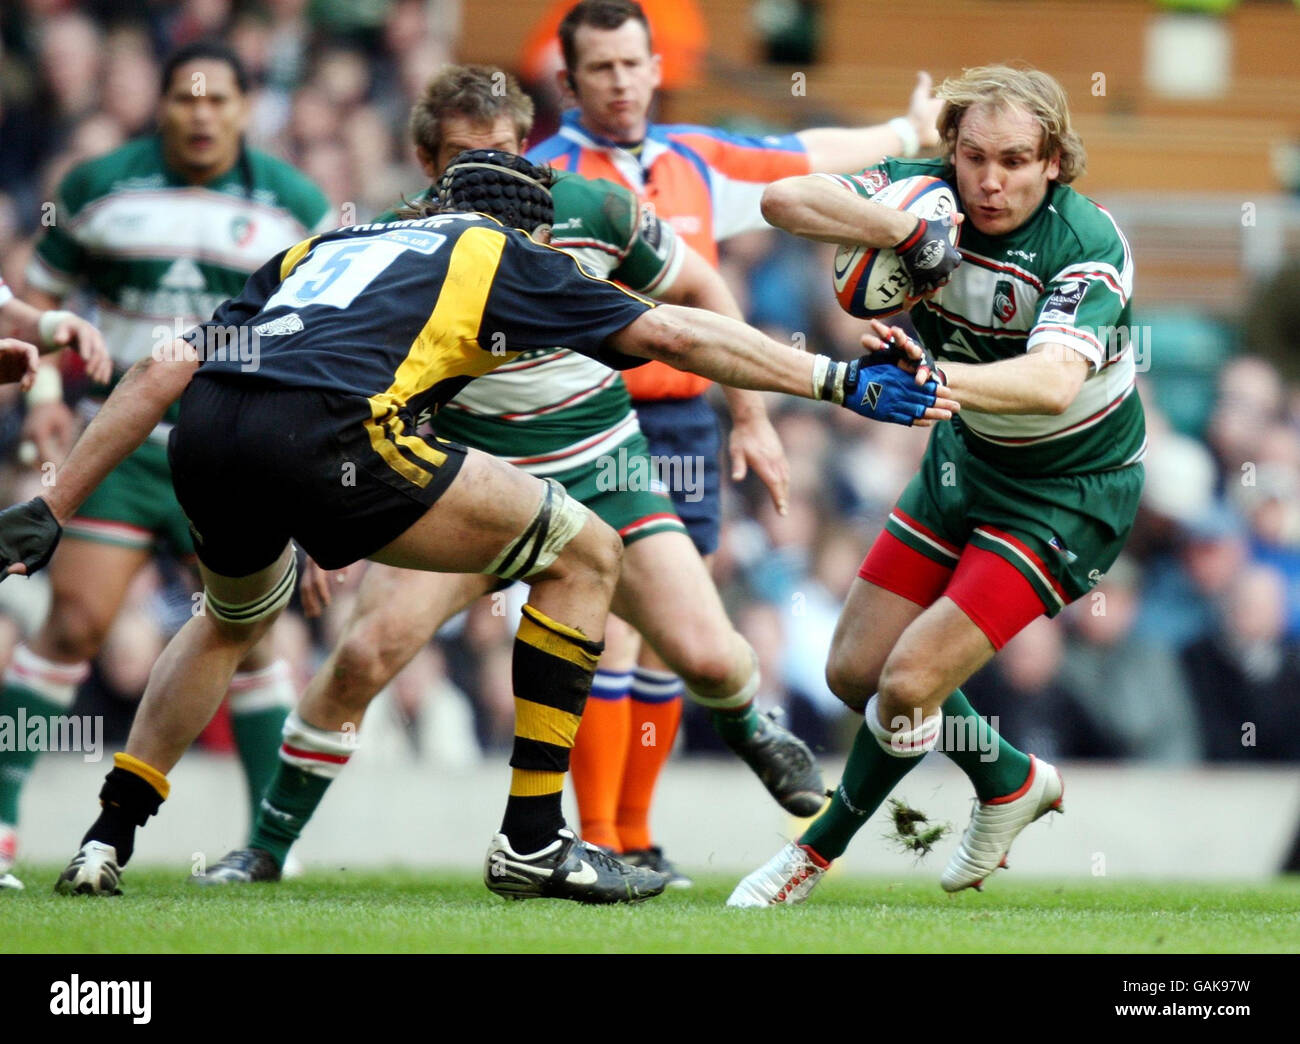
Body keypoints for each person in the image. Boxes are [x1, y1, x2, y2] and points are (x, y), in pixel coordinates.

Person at [0, 150, 954, 904]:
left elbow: (165, 366)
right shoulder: (501, 252)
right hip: (332, 432)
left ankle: (104, 839)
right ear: (528, 228)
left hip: (208, 432)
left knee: (230, 618)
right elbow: (673, 334)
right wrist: (835, 381)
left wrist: (54, 503)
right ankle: (535, 840)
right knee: (585, 552)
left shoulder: (325, 247)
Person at [195, 64, 822, 893]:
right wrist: (323, 504)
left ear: (526, 147)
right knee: (364, 653)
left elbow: (699, 287)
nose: (485, 177)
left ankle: (750, 719)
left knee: (707, 657)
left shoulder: (595, 209)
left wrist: (749, 413)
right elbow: (343, 386)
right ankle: (266, 845)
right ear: (428, 161)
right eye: (463, 156)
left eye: (500, 152)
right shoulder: (392, 239)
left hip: (601, 460)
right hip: (465, 471)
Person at [526, 0, 946, 866]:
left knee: (678, 624)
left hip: (686, 419)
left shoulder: (695, 160)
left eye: (633, 63)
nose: (620, 82)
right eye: (600, 67)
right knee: (611, 621)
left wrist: (907, 128)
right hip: (593, 422)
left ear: (655, 68)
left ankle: (635, 839)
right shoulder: (541, 177)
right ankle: (598, 836)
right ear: (569, 81)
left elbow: (806, 156)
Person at [728, 63, 1146, 906]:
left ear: (1054, 162)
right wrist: (903, 230)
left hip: (1071, 489)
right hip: (968, 459)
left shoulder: (1089, 245)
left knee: (909, 681)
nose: (990, 182)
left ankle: (808, 858)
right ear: (951, 149)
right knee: (854, 672)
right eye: (975, 156)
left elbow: (1052, 382)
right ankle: (1012, 780)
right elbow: (779, 201)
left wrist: (935, 377)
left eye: (1016, 161)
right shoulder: (931, 194)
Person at [0, 40, 333, 892]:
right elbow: (35, 290)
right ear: (161, 105)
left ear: (246, 107)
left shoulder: (295, 204)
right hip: (122, 447)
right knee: (73, 623)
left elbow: (322, 341)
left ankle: (270, 845)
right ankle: (2, 826)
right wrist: (41, 400)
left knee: (250, 635)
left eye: (220, 100)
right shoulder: (97, 186)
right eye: (188, 99)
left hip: (233, 452)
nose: (202, 114)